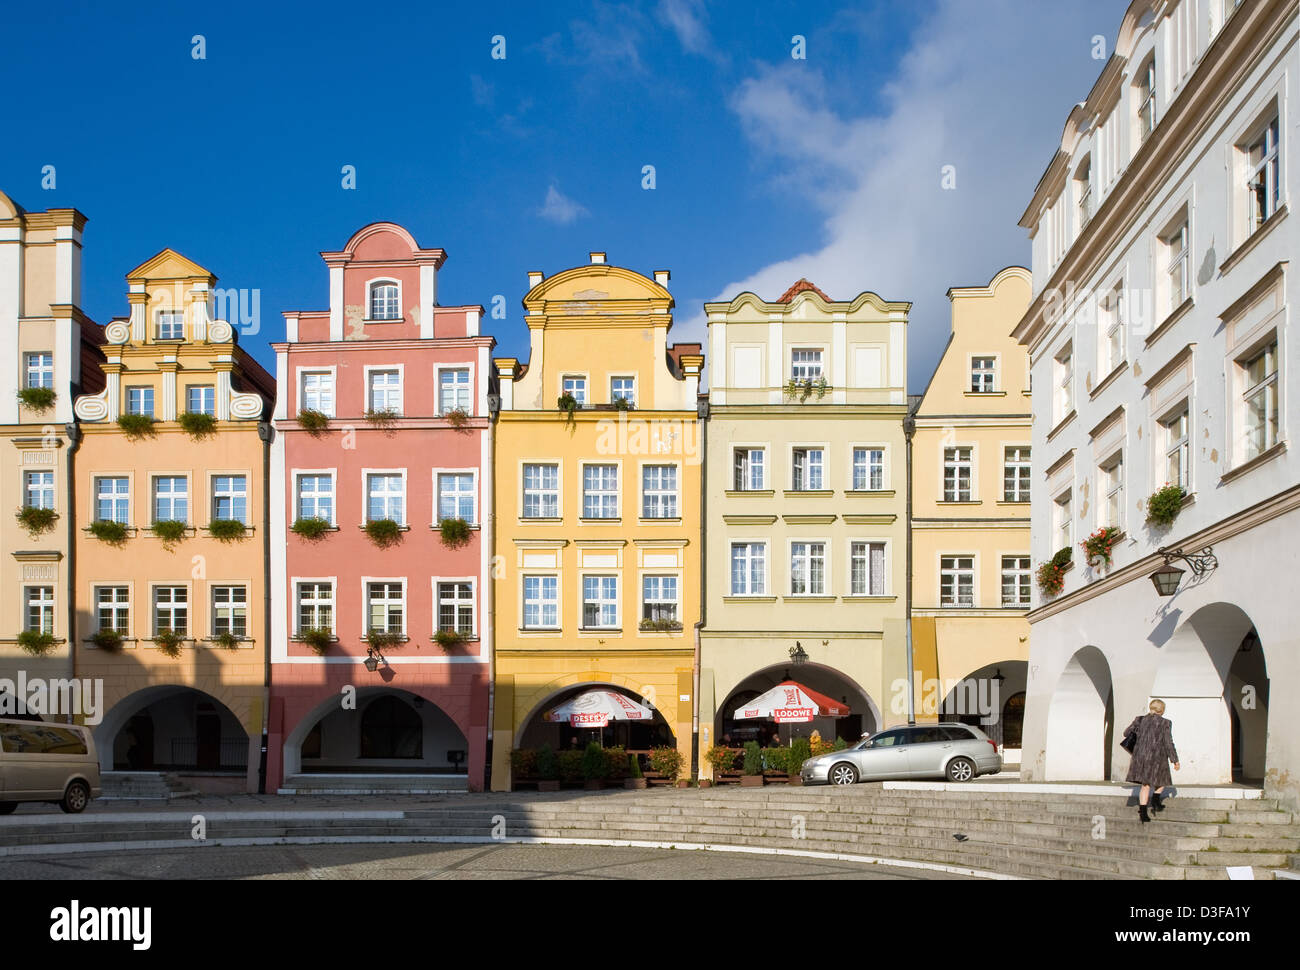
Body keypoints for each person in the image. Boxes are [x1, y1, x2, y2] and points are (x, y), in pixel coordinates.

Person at [1124, 698, 1180, 823]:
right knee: (1163, 778)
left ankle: (1143, 813)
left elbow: (1126, 733)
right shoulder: (1165, 723)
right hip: (1157, 756)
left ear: (1151, 708)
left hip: (1140, 756)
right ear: (1162, 710)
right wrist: (1174, 759)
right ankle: (1155, 800)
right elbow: (1168, 742)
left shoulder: (1139, 719)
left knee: (1145, 785)